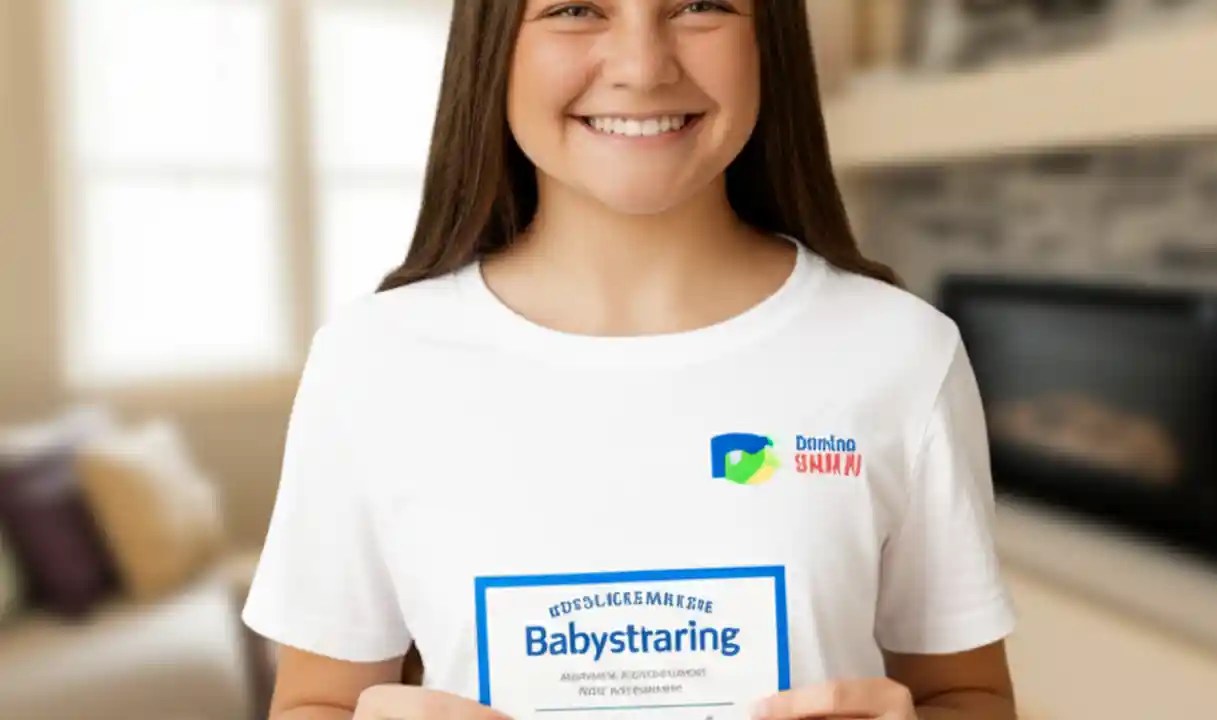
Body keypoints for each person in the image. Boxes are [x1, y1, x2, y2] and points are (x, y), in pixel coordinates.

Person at [241, 1, 1020, 718]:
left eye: (700, 4)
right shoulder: (372, 363)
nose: (643, 67)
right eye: (577, 8)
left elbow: (968, 693)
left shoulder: (901, 352)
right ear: (494, 48)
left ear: (769, 41)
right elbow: (316, 702)